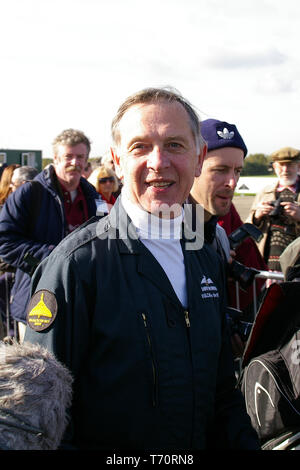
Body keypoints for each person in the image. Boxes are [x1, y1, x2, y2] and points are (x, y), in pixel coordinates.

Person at [24, 88, 259, 451]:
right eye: (140, 147)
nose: (158, 161)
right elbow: (41, 422)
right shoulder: (76, 267)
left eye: (175, 145)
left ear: (198, 158)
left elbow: (222, 394)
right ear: (117, 161)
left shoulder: (206, 254)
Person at [0, 129, 101, 342]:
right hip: (38, 305)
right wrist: (51, 259)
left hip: (83, 307)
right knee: (37, 372)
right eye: (68, 157)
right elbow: (5, 241)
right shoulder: (29, 194)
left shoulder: (94, 197)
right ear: (55, 159)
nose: (75, 162)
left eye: (80, 157)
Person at [189, 119, 266, 355]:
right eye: (220, 170)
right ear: (193, 166)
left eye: (238, 171)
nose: (232, 182)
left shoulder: (218, 235)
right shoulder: (160, 236)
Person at [246, 147, 300, 271]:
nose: (285, 170)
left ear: (299, 167)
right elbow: (247, 228)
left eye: (290, 165)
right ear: (275, 167)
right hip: (267, 264)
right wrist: (257, 216)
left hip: (296, 266)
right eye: (281, 165)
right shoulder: (264, 193)